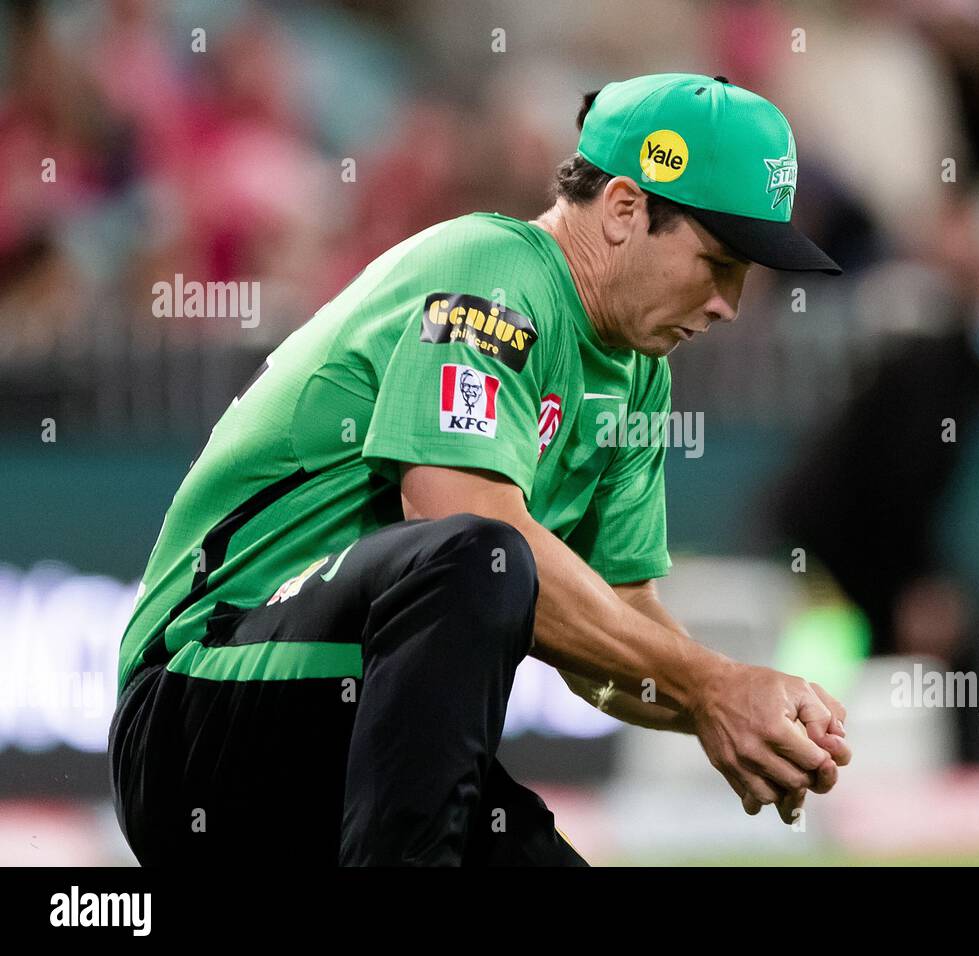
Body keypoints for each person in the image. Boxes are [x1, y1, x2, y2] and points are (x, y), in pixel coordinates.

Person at [108, 73, 851, 866]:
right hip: (199, 714)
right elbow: (459, 517)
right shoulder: (491, 275)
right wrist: (709, 686)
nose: (731, 304)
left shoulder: (638, 373)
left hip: (362, 751)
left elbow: (613, 632)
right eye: (718, 261)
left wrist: (737, 703)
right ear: (627, 208)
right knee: (486, 553)